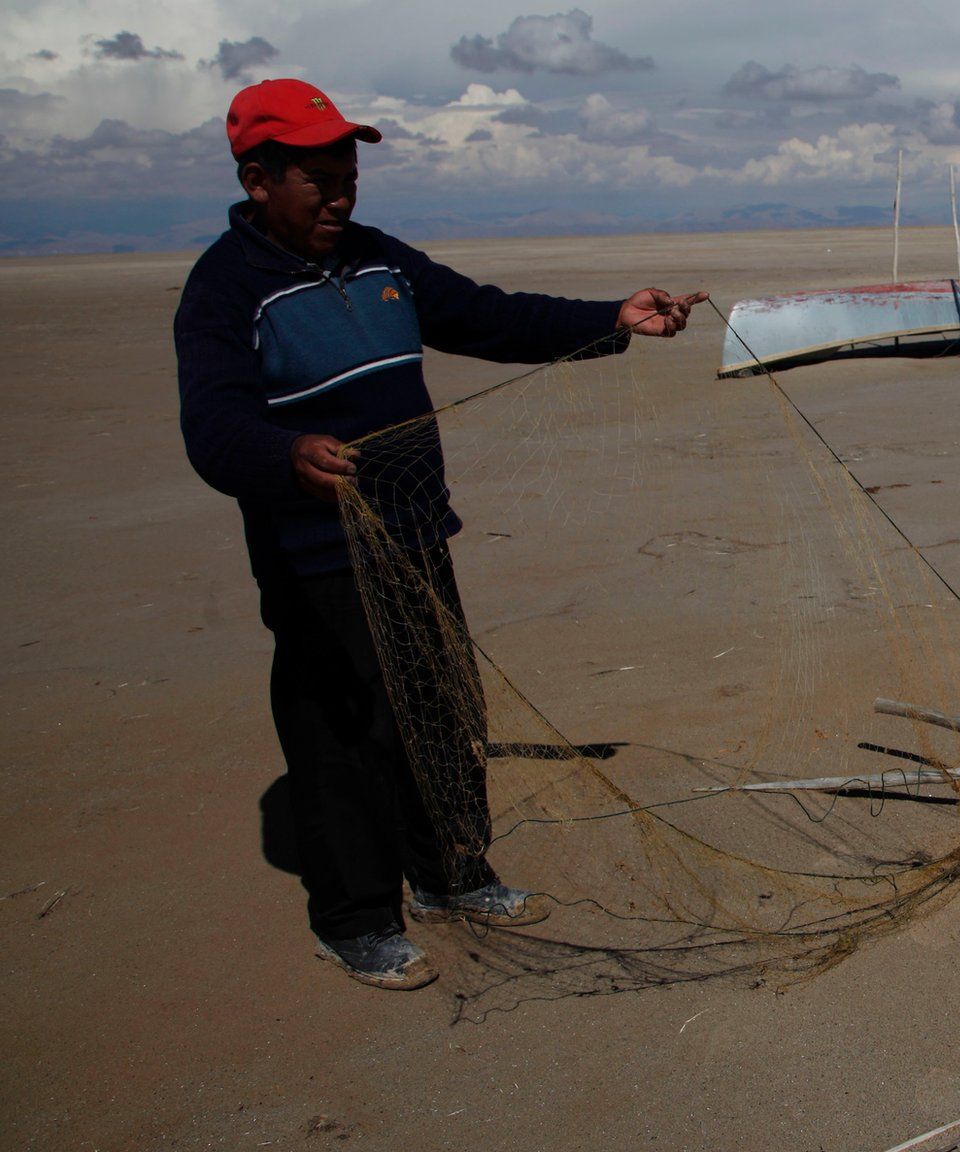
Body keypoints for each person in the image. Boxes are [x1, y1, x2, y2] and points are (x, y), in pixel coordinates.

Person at [175, 78, 707, 990]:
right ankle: (358, 917)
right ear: (258, 179)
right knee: (345, 732)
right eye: (317, 176)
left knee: (442, 707)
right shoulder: (225, 291)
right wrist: (285, 454)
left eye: (348, 170)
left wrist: (609, 321)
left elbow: (487, 314)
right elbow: (214, 426)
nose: (341, 191)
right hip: (317, 558)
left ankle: (455, 873)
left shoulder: (379, 260)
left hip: (416, 532)